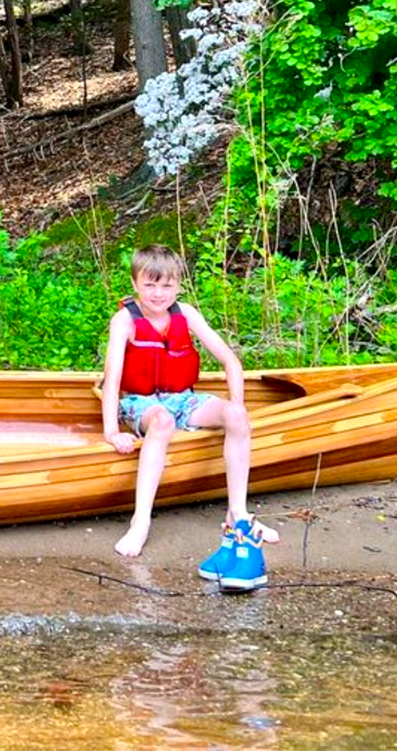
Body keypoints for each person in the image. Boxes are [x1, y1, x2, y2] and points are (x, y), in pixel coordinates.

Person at [100, 244, 272, 591]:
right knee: (162, 421)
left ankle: (238, 513)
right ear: (135, 284)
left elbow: (231, 362)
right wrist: (110, 433)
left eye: (167, 285)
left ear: (178, 285)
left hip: (183, 399)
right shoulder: (125, 320)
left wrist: (237, 407)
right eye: (150, 285)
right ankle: (141, 521)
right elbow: (112, 380)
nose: (158, 293)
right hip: (140, 402)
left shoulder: (187, 314)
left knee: (235, 415)